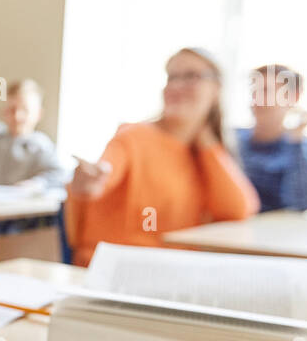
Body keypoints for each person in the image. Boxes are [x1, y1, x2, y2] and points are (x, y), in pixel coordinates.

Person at [67, 46, 260, 266]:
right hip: (117, 269)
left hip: (173, 270)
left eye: (190, 76)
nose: (176, 86)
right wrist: (90, 183)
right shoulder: (133, 136)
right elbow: (104, 175)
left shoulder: (205, 154)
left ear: (216, 89)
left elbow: (240, 209)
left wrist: (207, 143)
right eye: (172, 77)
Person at [236, 64, 307, 212]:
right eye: (254, 90)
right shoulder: (230, 140)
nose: (256, 99)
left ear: (293, 98)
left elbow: (305, 202)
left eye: (266, 91)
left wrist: (296, 142)